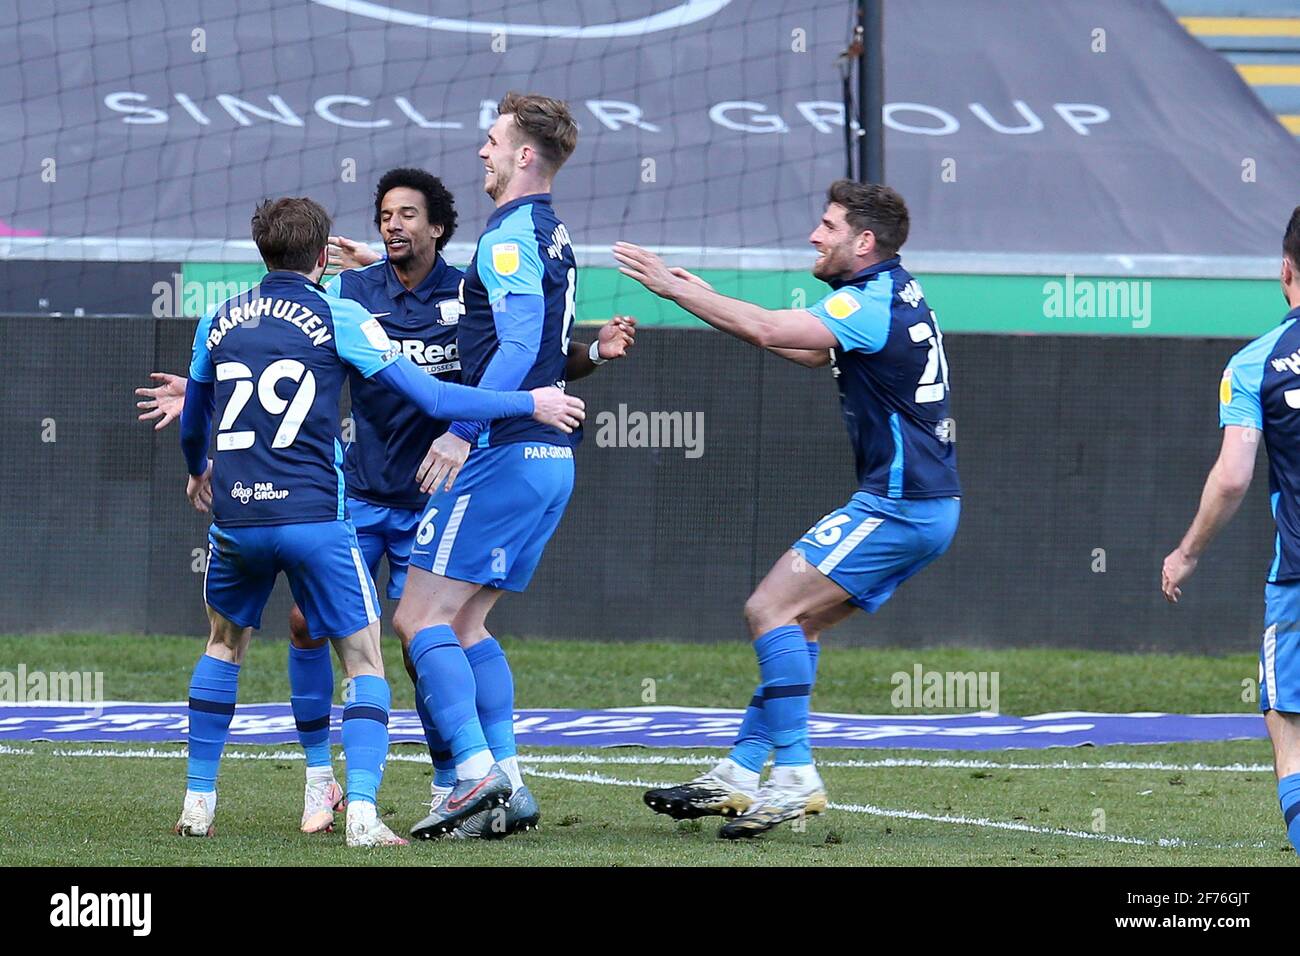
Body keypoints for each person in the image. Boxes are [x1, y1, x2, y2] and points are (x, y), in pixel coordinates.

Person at [139, 170, 634, 836]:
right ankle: (329, 787)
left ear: (436, 228)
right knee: (322, 630)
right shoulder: (346, 294)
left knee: (420, 638)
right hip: (360, 498)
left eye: (407, 214)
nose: (393, 224)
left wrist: (592, 355)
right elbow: (303, 349)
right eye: (384, 215)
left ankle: (452, 781)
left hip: (429, 492)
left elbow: (528, 352)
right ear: (329, 254)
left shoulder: (467, 290)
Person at [614, 180, 960, 838]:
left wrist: (675, 288)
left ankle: (796, 775)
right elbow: (804, 348)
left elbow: (776, 327)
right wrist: (708, 301)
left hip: (899, 505)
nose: (814, 234)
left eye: (828, 225)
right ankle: (742, 774)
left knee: (767, 609)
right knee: (795, 627)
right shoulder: (893, 291)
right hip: (924, 506)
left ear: (863, 241)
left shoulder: (866, 302)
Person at [390, 92, 589, 839]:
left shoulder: (508, 236)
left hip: (502, 454)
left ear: (524, 156)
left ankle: (474, 777)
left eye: (493, 140)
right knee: (468, 622)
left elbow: (516, 346)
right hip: (547, 461)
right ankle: (508, 778)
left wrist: (462, 432)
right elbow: (542, 350)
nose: (483, 151)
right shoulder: (554, 232)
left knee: (417, 618)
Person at [1161, 205, 1300, 855]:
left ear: (1285, 273)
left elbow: (1233, 477)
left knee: (1288, 715)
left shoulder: (1255, 366)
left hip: (1298, 576)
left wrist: (1188, 552)